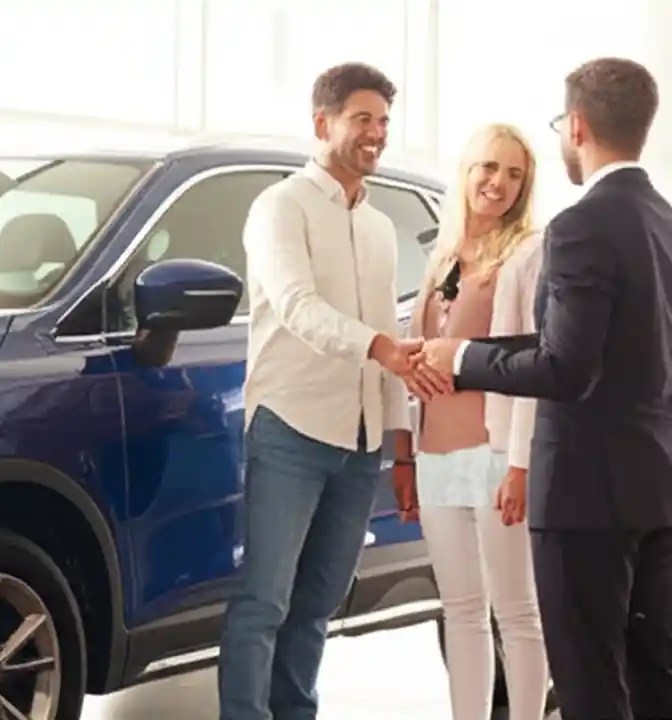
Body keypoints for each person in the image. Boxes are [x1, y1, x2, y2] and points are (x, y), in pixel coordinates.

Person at [417, 57, 672, 720]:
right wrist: (467, 354)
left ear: (577, 127)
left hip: (586, 497)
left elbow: (565, 368)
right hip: (653, 488)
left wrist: (462, 359)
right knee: (651, 683)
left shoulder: (579, 226)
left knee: (590, 687)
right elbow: (591, 348)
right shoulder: (663, 222)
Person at [219, 61, 431, 720]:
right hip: (291, 427)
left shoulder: (378, 226)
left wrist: (401, 447)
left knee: (317, 605)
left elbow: (388, 330)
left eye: (384, 121)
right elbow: (295, 305)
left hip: (360, 442)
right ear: (323, 123)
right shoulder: (280, 207)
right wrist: (379, 347)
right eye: (362, 119)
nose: (377, 133)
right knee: (264, 602)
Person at [402, 122, 550, 720]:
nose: (498, 183)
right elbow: (418, 356)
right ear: (466, 170)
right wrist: (406, 453)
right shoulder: (443, 256)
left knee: (517, 611)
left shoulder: (528, 254)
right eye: (489, 167)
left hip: (495, 455)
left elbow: (537, 363)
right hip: (437, 455)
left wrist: (521, 465)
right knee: (461, 610)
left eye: (514, 174)